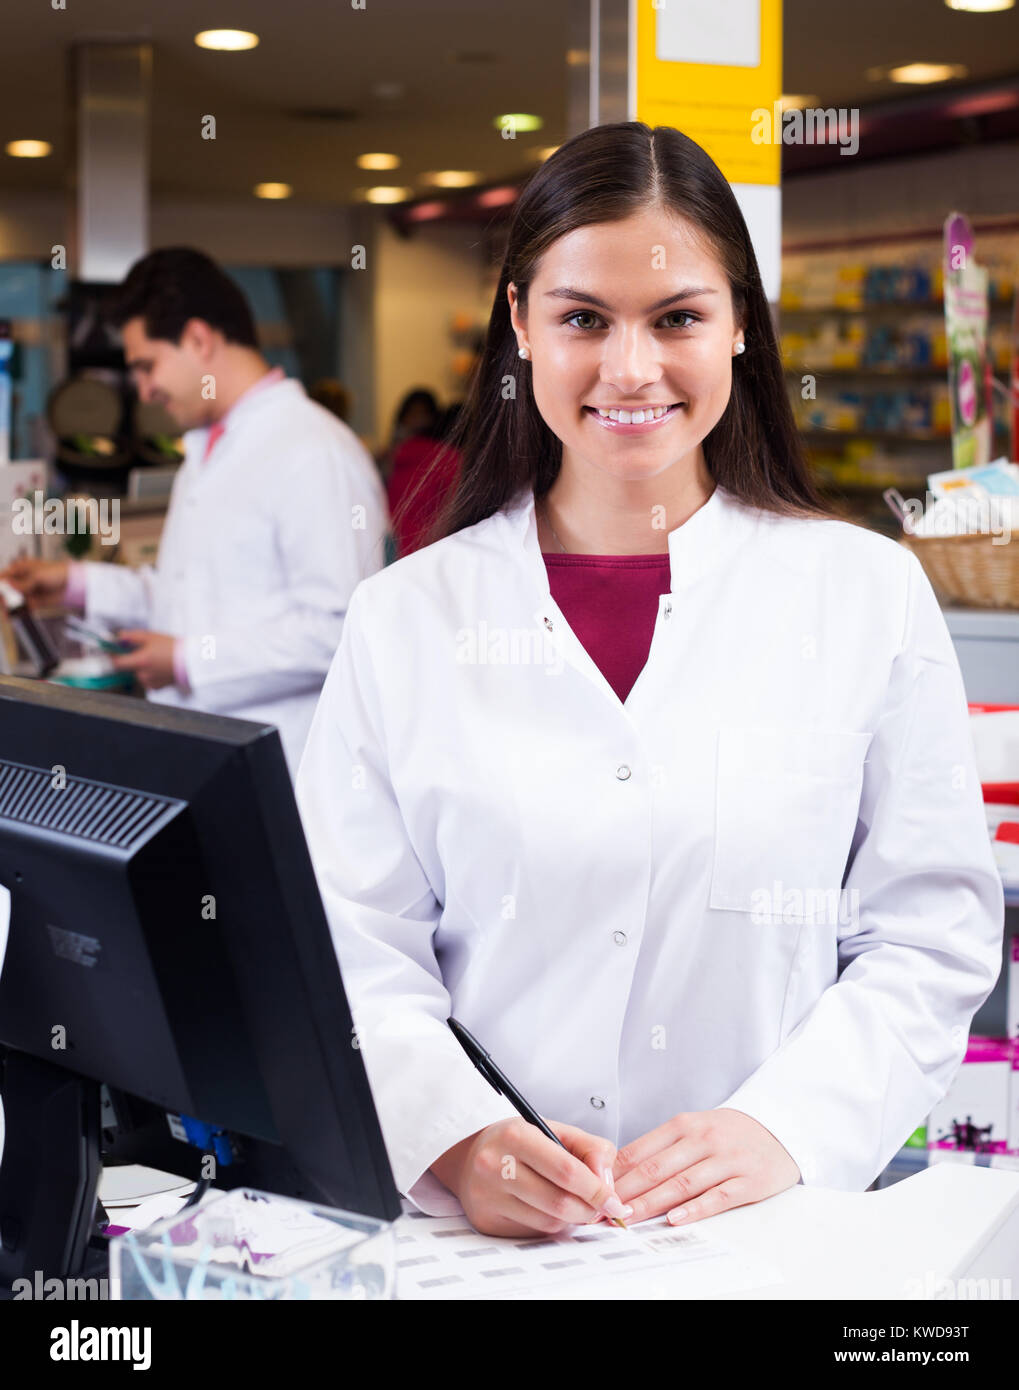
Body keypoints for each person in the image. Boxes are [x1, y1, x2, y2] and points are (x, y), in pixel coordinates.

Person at [294, 122, 1003, 1238]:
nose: (631, 369)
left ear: (738, 333)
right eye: (583, 318)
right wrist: (451, 1135)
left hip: (771, 1236)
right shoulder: (406, 621)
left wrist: (784, 1126)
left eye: (676, 317)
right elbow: (348, 944)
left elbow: (926, 934)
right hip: (486, 1248)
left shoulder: (864, 595)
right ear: (521, 323)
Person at [2, 248, 389, 779]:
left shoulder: (314, 450)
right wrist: (73, 584)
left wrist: (188, 659)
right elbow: (184, 596)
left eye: (146, 365)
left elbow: (341, 631)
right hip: (208, 760)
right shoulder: (207, 448)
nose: (143, 390)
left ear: (199, 340)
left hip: (289, 774)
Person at [385, 403, 462, 557]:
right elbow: (455, 513)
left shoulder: (395, 455)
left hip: (392, 546)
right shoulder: (451, 460)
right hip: (429, 550)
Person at [373, 388, 439, 482]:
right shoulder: (396, 445)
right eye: (412, 413)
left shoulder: (438, 452)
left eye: (420, 413)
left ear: (431, 417)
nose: (415, 419)